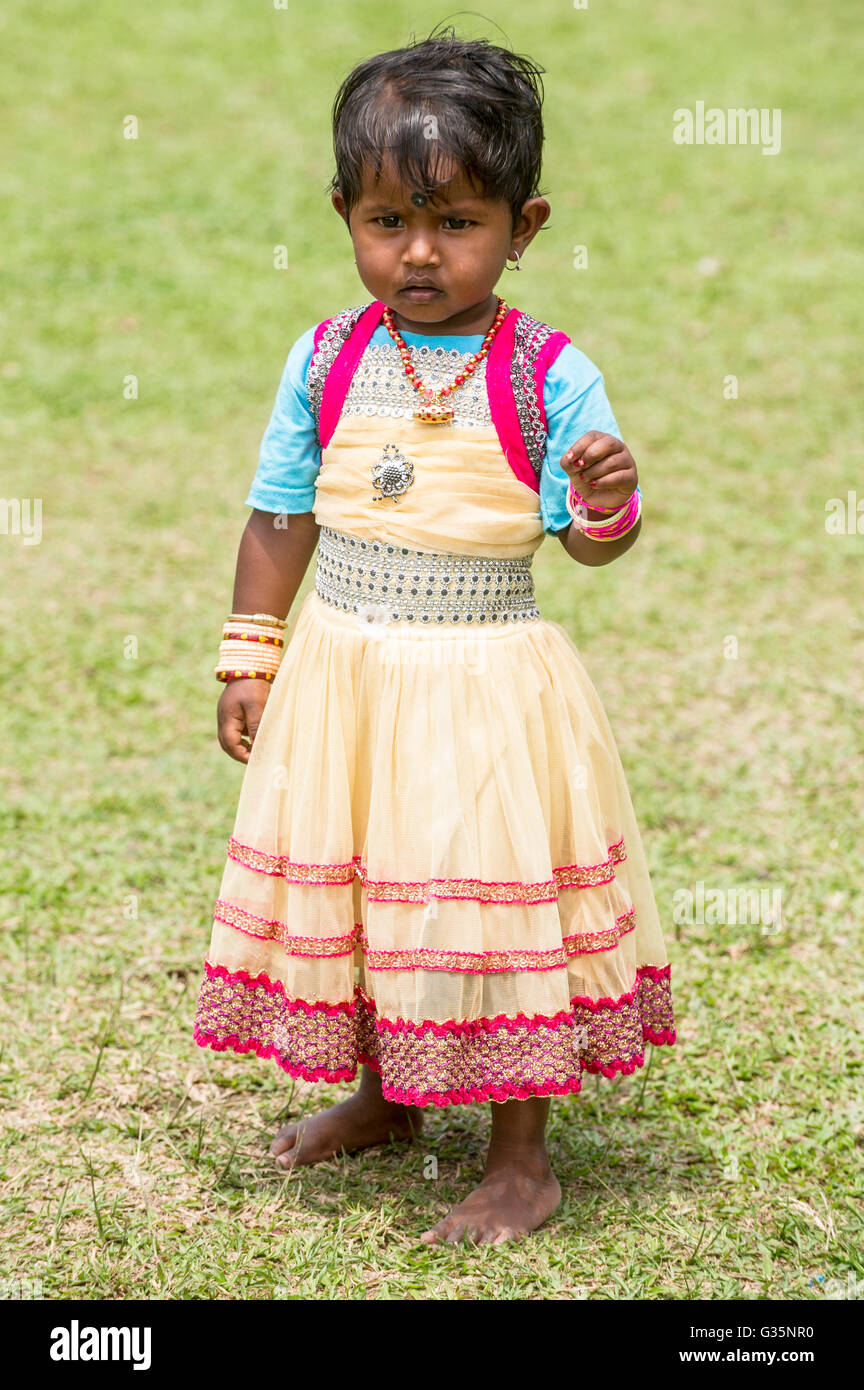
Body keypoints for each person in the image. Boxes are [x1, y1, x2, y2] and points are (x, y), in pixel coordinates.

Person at [193, 29, 676, 1246]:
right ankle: (384, 1094)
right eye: (386, 219)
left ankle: (521, 1157)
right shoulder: (327, 356)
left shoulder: (548, 375)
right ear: (343, 212)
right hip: (344, 671)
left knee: (489, 902)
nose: (416, 252)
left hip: (484, 688)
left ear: (525, 225)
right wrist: (254, 650)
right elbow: (279, 512)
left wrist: (608, 495)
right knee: (365, 881)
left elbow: (590, 542)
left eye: (455, 222)